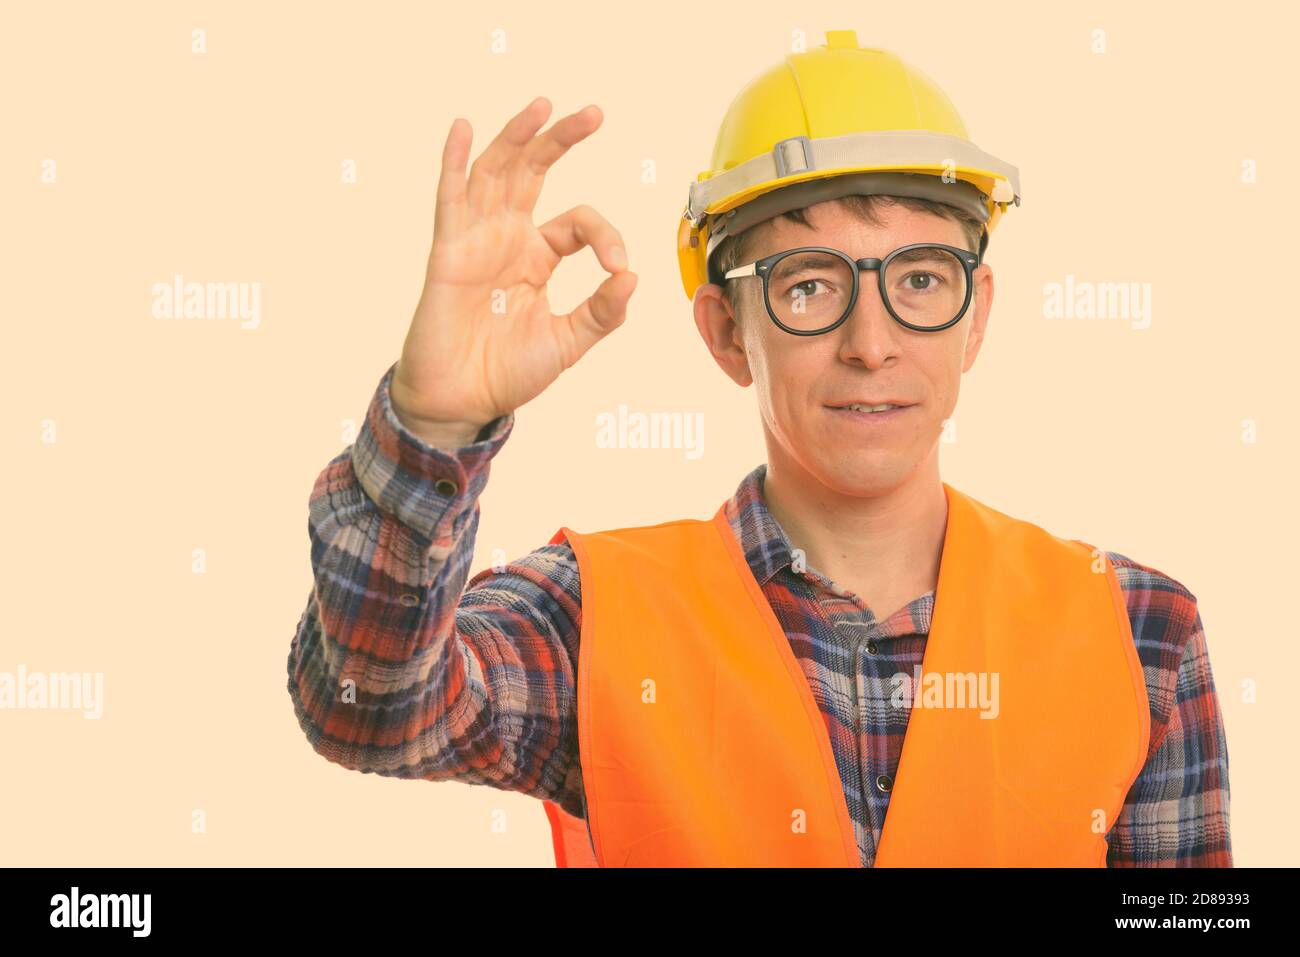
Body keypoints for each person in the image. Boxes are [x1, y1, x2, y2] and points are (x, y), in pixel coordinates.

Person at [287, 31, 1232, 867]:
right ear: (728, 332)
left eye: (922, 277)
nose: (873, 341)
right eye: (810, 285)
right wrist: (434, 422)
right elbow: (369, 706)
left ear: (975, 319)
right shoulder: (597, 617)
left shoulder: (1138, 633)